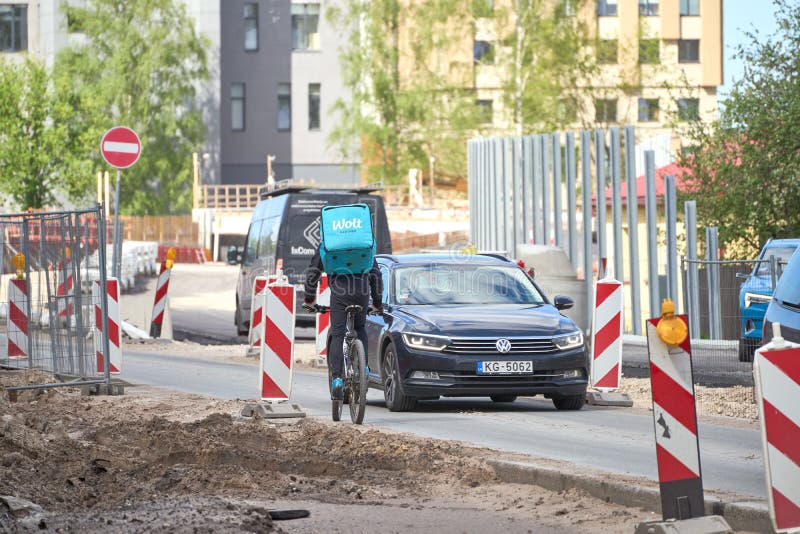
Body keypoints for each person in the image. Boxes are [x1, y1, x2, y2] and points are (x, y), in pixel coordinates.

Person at [304, 251, 383, 399]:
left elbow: (313, 271)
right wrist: (377, 303)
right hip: (362, 291)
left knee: (338, 333)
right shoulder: (363, 242)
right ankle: (364, 369)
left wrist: (309, 299)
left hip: (339, 292)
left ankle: (337, 380)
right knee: (360, 327)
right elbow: (376, 274)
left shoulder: (330, 242)